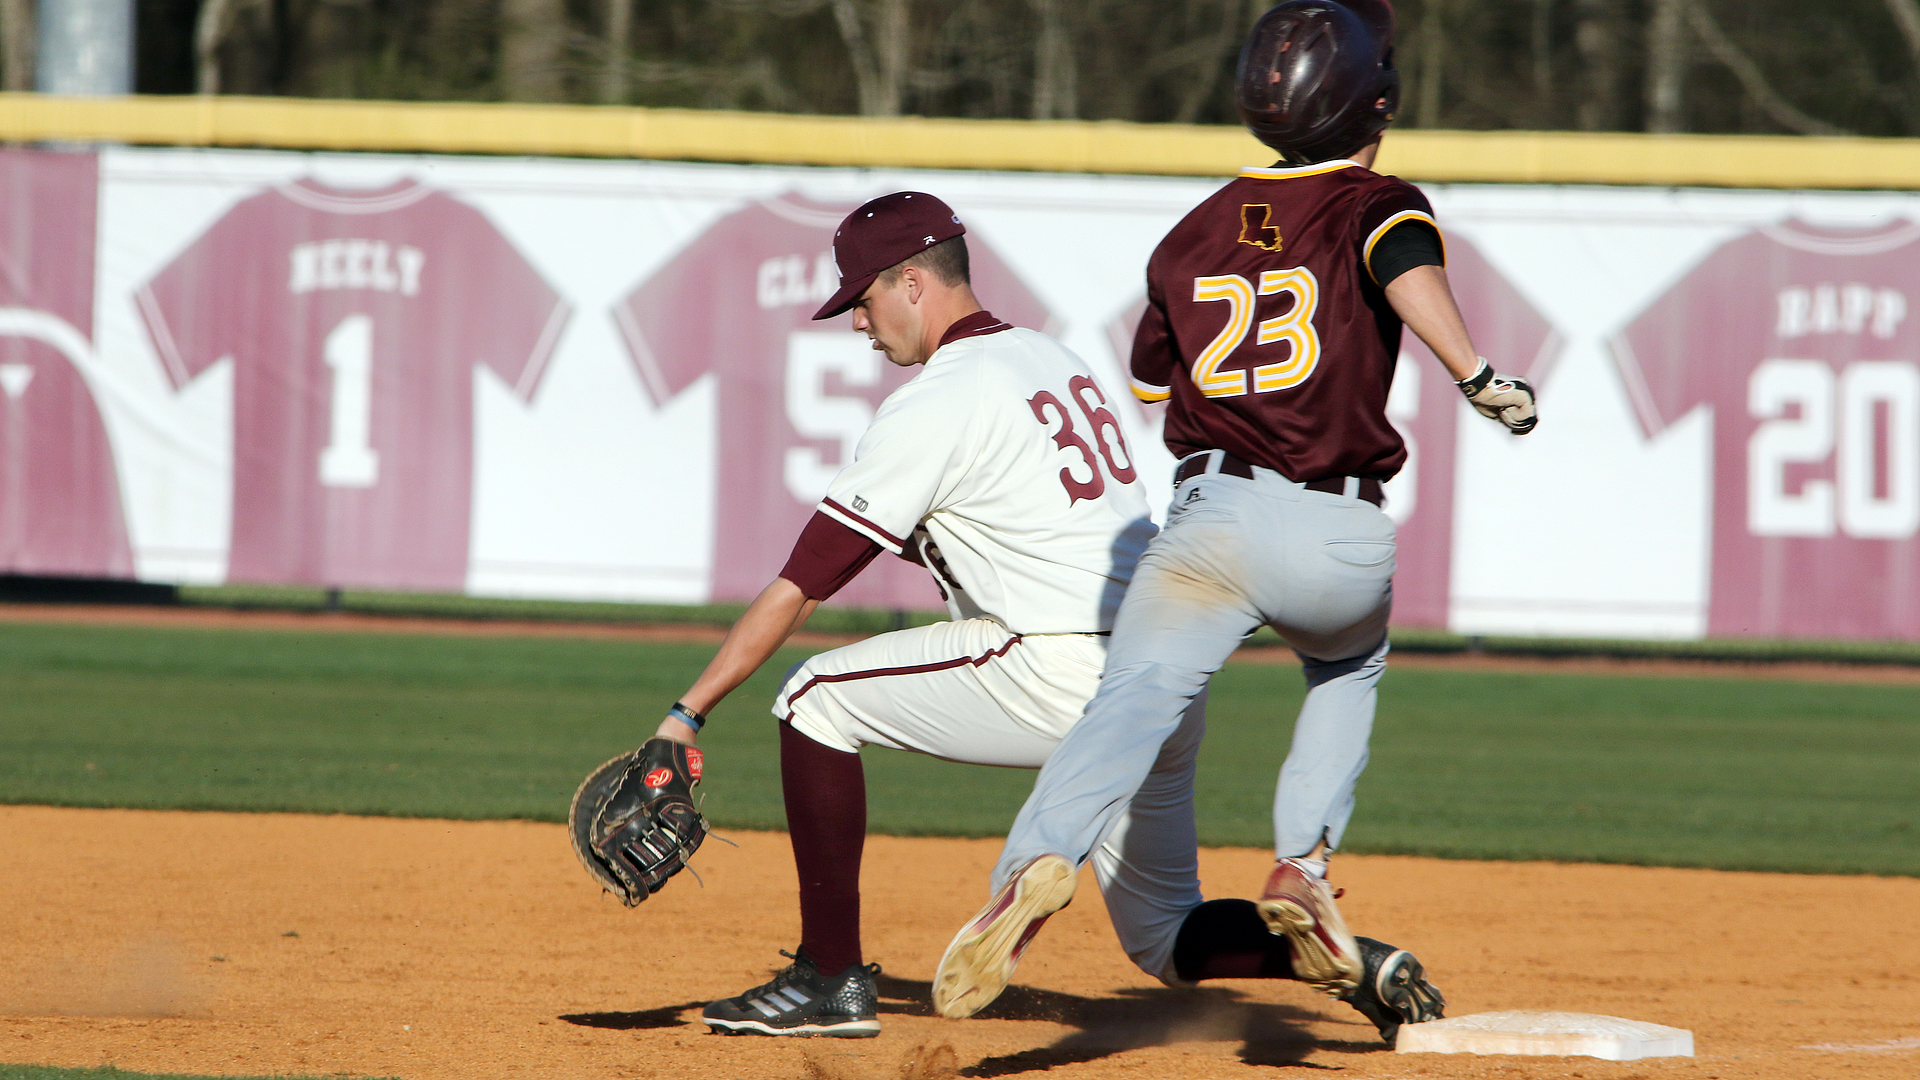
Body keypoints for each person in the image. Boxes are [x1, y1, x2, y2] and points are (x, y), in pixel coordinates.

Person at [932, 0, 1537, 1046]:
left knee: (1133, 697)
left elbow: (1151, 383)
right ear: (1374, 104)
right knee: (1345, 671)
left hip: (1211, 514)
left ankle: (1038, 860)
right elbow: (1407, 271)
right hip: (1338, 528)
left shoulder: (1192, 231)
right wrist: (1476, 375)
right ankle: (1302, 867)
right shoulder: (1375, 201)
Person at [641, 190, 1203, 1039]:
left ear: (912, 283)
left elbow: (802, 583)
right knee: (1168, 938)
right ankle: (1357, 963)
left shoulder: (941, 395)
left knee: (814, 698)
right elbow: (1003, 526)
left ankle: (829, 978)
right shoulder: (1051, 358)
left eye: (861, 301)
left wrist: (686, 713)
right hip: (1161, 677)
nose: (859, 326)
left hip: (1054, 668)